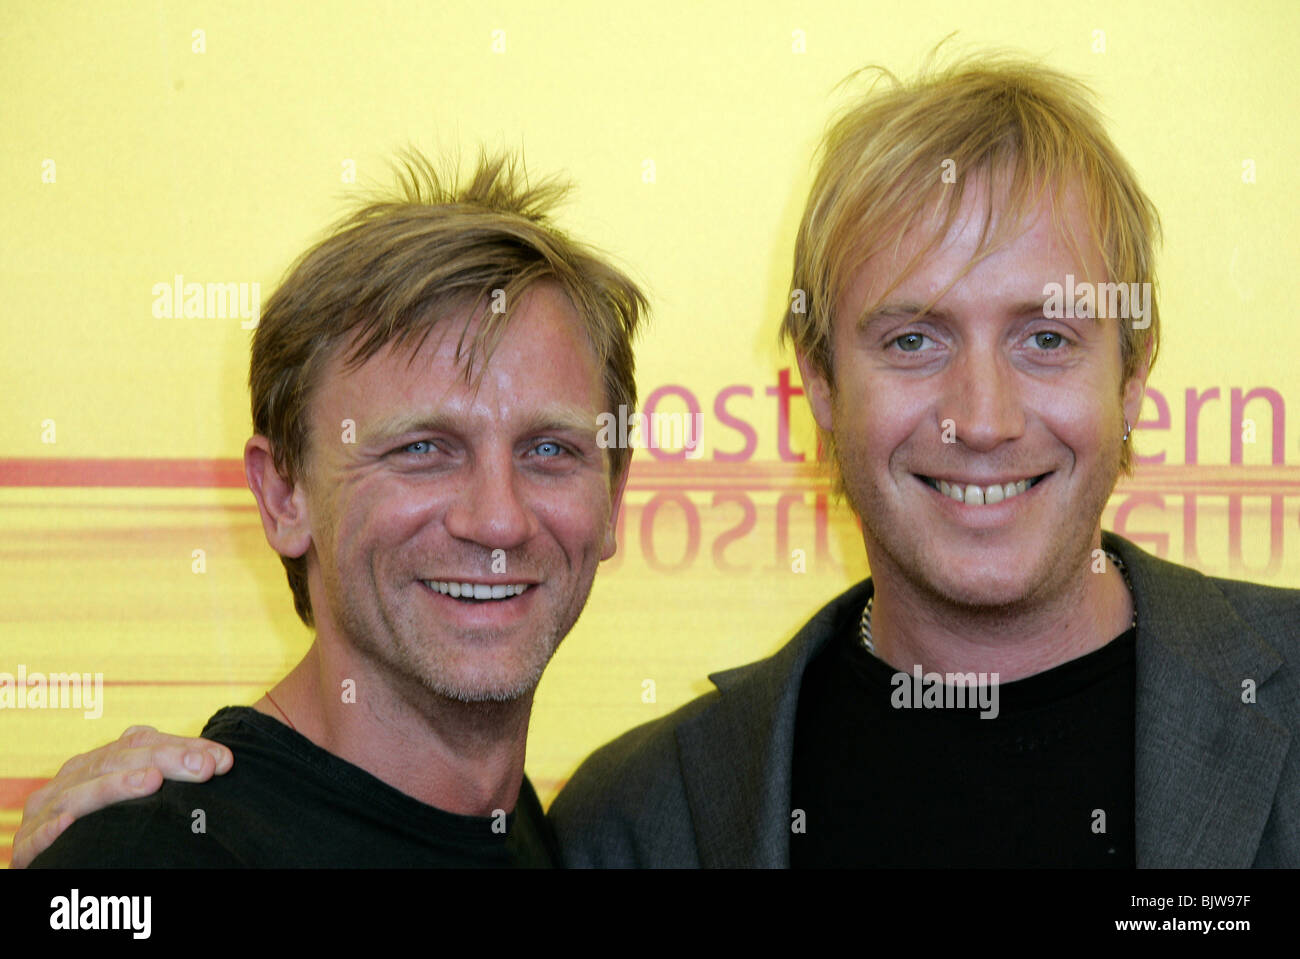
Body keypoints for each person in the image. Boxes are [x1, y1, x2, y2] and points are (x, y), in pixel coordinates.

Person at [17, 57, 1300, 870]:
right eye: (911, 337)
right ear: (816, 385)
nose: (980, 413)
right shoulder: (651, 814)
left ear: (1135, 373)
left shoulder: (538, 836)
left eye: (1045, 335)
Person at [23, 150, 647, 867]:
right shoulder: (148, 856)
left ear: (613, 495)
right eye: (422, 449)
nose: (499, 521)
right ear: (283, 494)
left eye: (548, 451)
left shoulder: (548, 837)